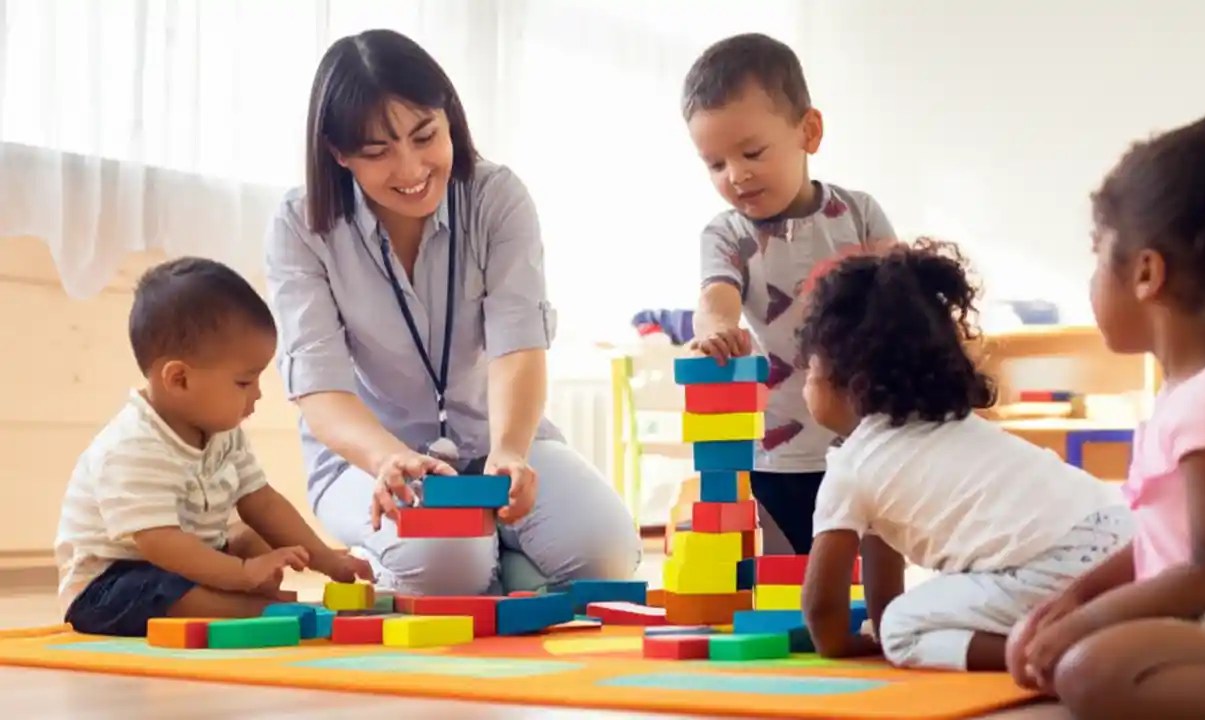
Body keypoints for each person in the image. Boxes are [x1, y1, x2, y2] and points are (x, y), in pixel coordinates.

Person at [263, 29, 640, 597]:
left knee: (605, 556)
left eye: (425, 136)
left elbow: (519, 345)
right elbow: (321, 391)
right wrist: (389, 458)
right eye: (377, 151)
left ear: (450, 119)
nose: (411, 168)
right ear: (339, 154)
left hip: (502, 438)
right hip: (374, 461)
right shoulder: (300, 225)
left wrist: (511, 449)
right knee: (448, 571)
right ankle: (481, 563)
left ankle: (497, 556)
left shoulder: (497, 198)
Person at [1007, 81, 1205, 719]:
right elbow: (1168, 543)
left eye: (1097, 256)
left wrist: (1091, 620)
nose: (1091, 279)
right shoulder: (1199, 386)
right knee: (1052, 647)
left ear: (1146, 274)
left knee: (1091, 674)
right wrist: (1073, 600)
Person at [796, 239, 1131, 671]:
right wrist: (879, 621)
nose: (805, 386)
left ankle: (1048, 655)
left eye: (811, 372)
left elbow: (822, 605)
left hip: (1057, 571)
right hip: (1125, 539)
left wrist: (838, 644)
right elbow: (883, 559)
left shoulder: (852, 468)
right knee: (910, 610)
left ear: (850, 384)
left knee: (903, 629)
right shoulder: (956, 424)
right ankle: (1108, 628)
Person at [55, 258, 372, 636]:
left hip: (185, 559)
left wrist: (326, 560)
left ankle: (245, 597)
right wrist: (240, 575)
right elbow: (160, 544)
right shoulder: (133, 447)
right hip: (110, 585)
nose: (256, 396)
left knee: (251, 536)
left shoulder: (223, 432)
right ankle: (246, 606)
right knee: (162, 589)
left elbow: (263, 503)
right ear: (179, 379)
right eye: (243, 383)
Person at [682, 32, 897, 554]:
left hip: (862, 443)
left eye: (752, 152)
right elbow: (717, 295)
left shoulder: (858, 213)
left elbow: (902, 292)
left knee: (862, 576)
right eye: (715, 164)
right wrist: (716, 331)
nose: (736, 175)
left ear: (809, 131)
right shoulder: (728, 234)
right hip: (772, 452)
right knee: (784, 582)